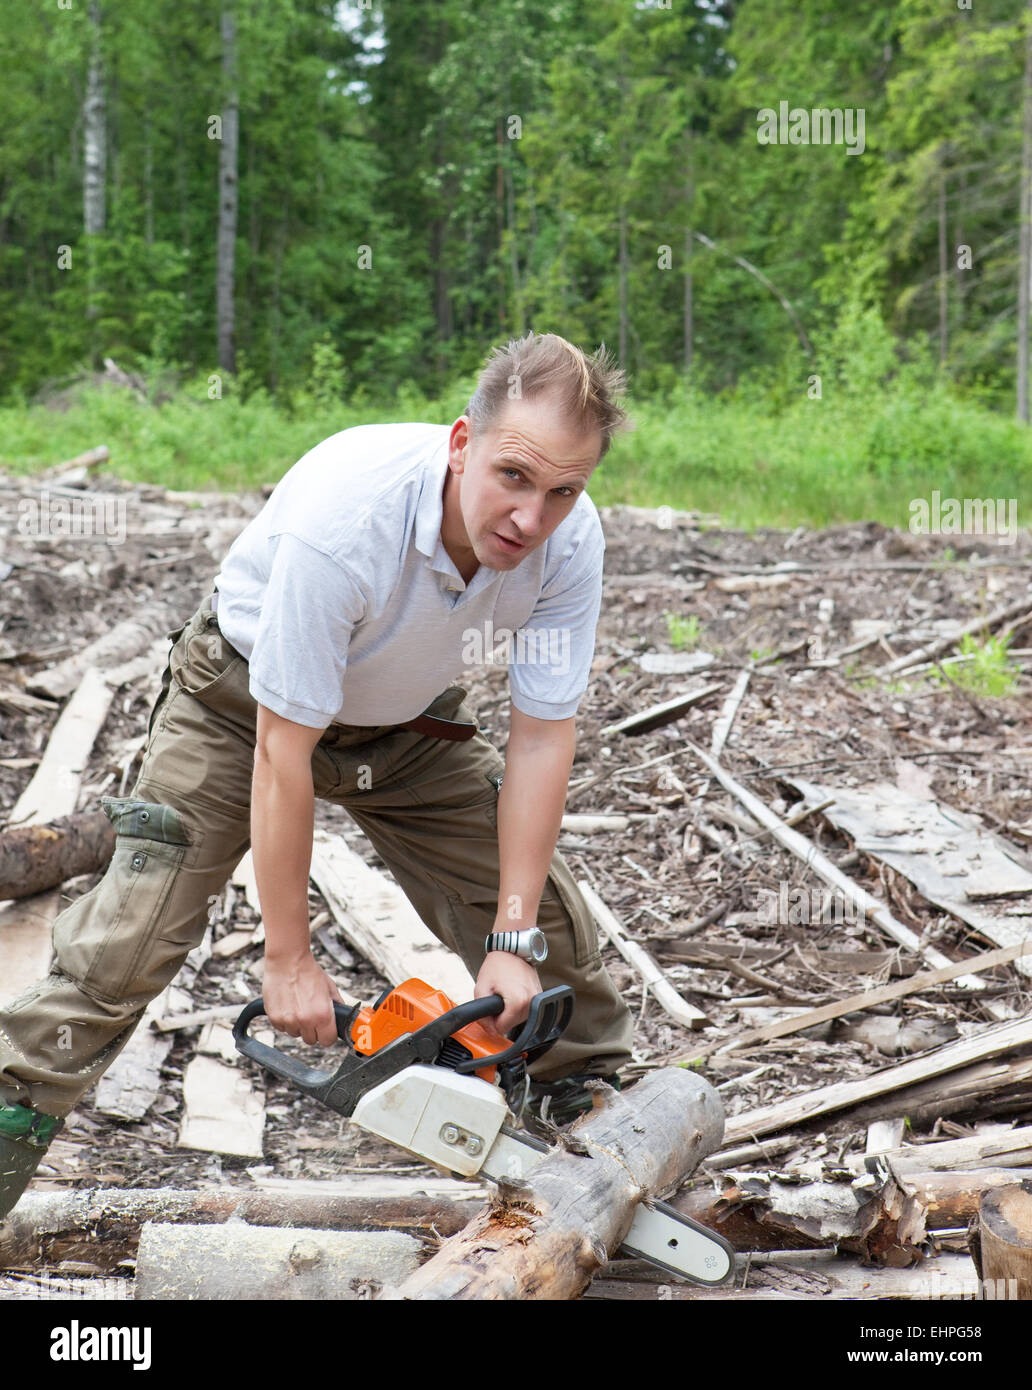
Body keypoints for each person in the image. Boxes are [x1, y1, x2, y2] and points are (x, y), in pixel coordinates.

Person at [0, 331, 635, 1221]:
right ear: (462, 444)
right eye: (513, 477)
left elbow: (541, 736)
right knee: (120, 953)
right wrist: (288, 957)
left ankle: (599, 1131)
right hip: (239, 708)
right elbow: (280, 751)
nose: (532, 518)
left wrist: (514, 937)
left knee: (550, 940)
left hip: (404, 723)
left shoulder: (569, 544)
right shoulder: (347, 524)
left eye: (563, 490)